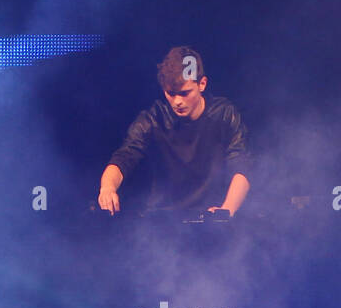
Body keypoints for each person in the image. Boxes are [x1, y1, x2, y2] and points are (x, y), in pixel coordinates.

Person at [97, 46, 251, 216]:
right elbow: (125, 156)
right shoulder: (154, 118)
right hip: (163, 217)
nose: (177, 101)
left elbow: (241, 166)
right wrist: (107, 187)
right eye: (171, 93)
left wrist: (227, 209)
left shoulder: (224, 114)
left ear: (202, 84)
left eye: (185, 93)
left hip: (211, 214)